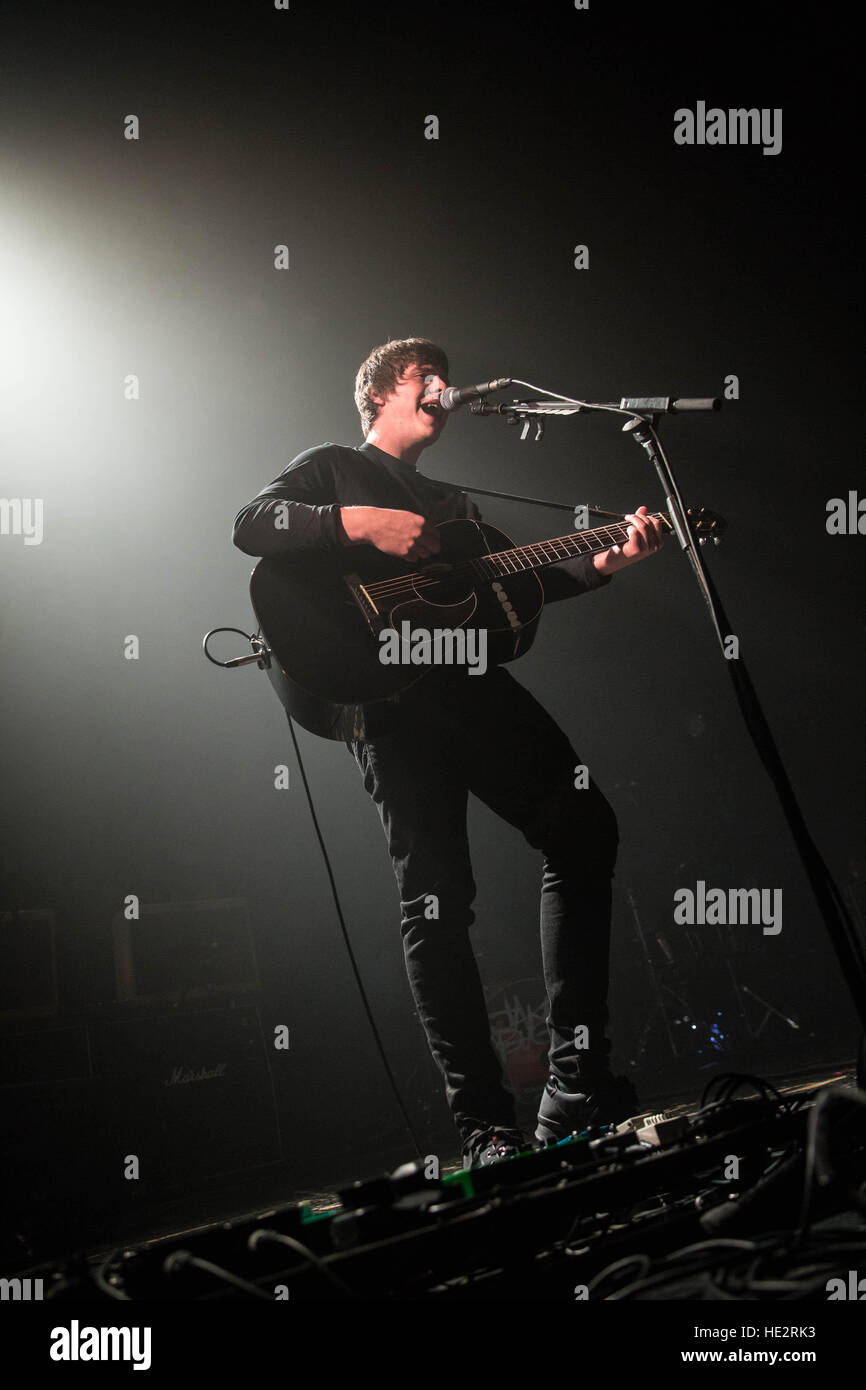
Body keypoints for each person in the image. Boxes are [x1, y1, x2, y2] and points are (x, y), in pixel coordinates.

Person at [232, 337, 665, 1168]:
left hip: (467, 687)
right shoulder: (332, 466)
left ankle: (575, 1083)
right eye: (422, 376)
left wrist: (603, 563)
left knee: (584, 829)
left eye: (441, 375)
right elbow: (251, 525)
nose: (441, 386)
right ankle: (486, 1130)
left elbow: (510, 585)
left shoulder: (458, 507)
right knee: (436, 901)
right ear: (380, 393)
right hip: (390, 707)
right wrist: (355, 522)